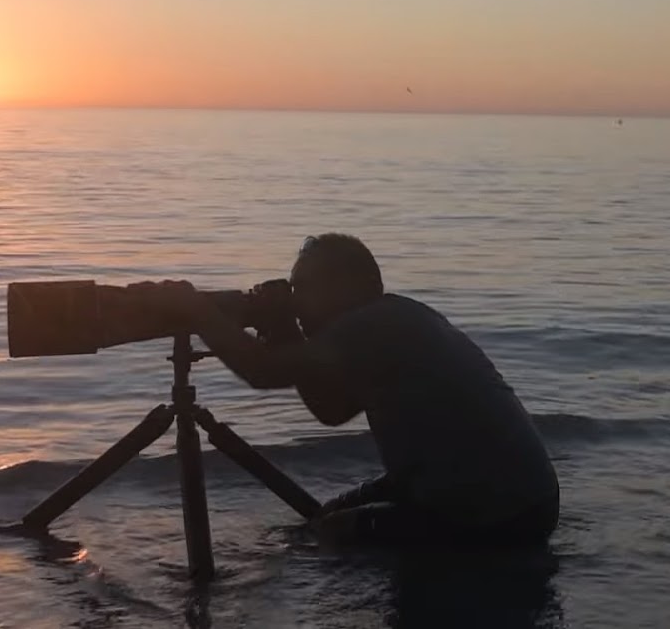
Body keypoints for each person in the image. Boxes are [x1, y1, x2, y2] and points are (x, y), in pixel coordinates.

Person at [133, 233, 559, 548]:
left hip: (498, 511)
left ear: (347, 286)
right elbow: (331, 409)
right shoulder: (396, 318)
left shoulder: (375, 325)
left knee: (332, 536)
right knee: (326, 518)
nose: (296, 301)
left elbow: (260, 371)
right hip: (515, 495)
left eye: (303, 288)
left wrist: (194, 309)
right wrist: (282, 327)